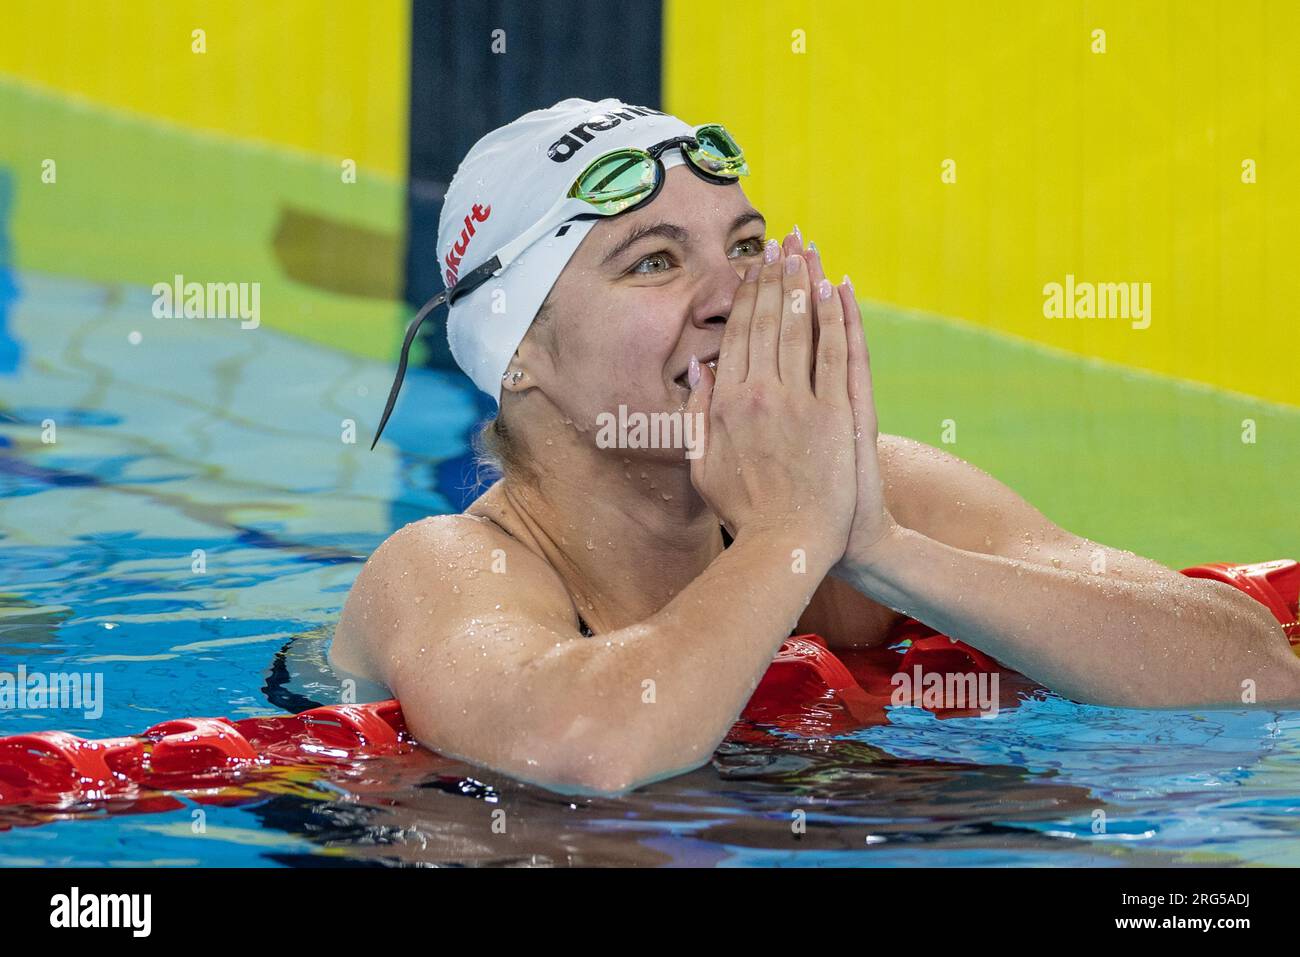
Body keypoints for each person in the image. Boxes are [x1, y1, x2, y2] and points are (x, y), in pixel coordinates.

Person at [330, 98, 1299, 795]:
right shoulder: (445, 567)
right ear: (519, 355)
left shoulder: (874, 488)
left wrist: (877, 547)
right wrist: (788, 539)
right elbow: (587, 751)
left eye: (745, 247)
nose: (731, 295)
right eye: (655, 261)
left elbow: (1254, 674)